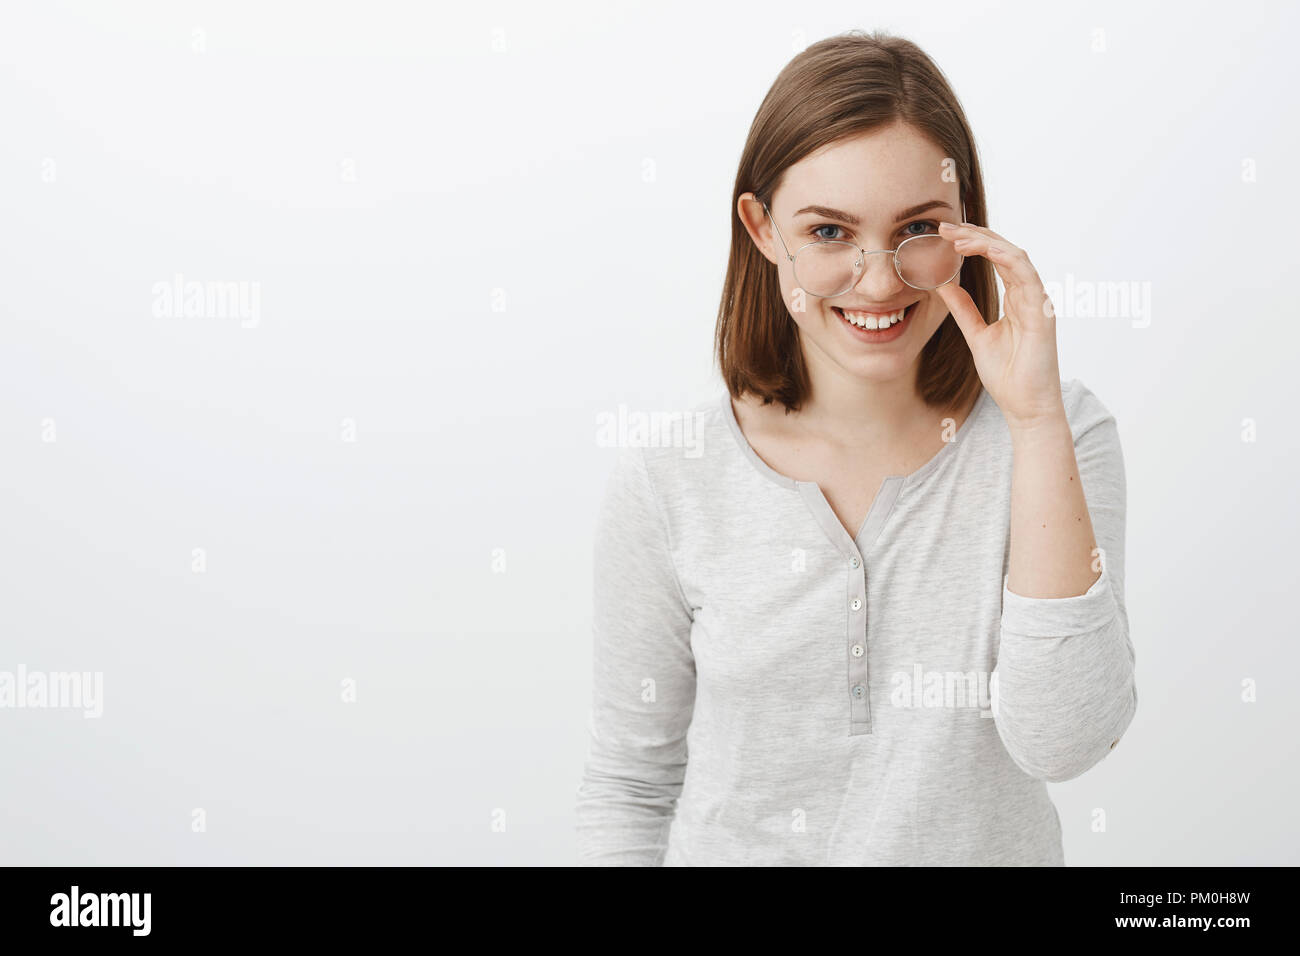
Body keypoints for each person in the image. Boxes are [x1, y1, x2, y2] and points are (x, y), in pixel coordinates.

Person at [575, 29, 1137, 866]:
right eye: (831, 232)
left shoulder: (1060, 431)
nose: (879, 281)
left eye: (919, 229)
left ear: (966, 227)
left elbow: (1065, 742)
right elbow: (629, 783)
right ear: (762, 229)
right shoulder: (670, 480)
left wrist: (1035, 422)